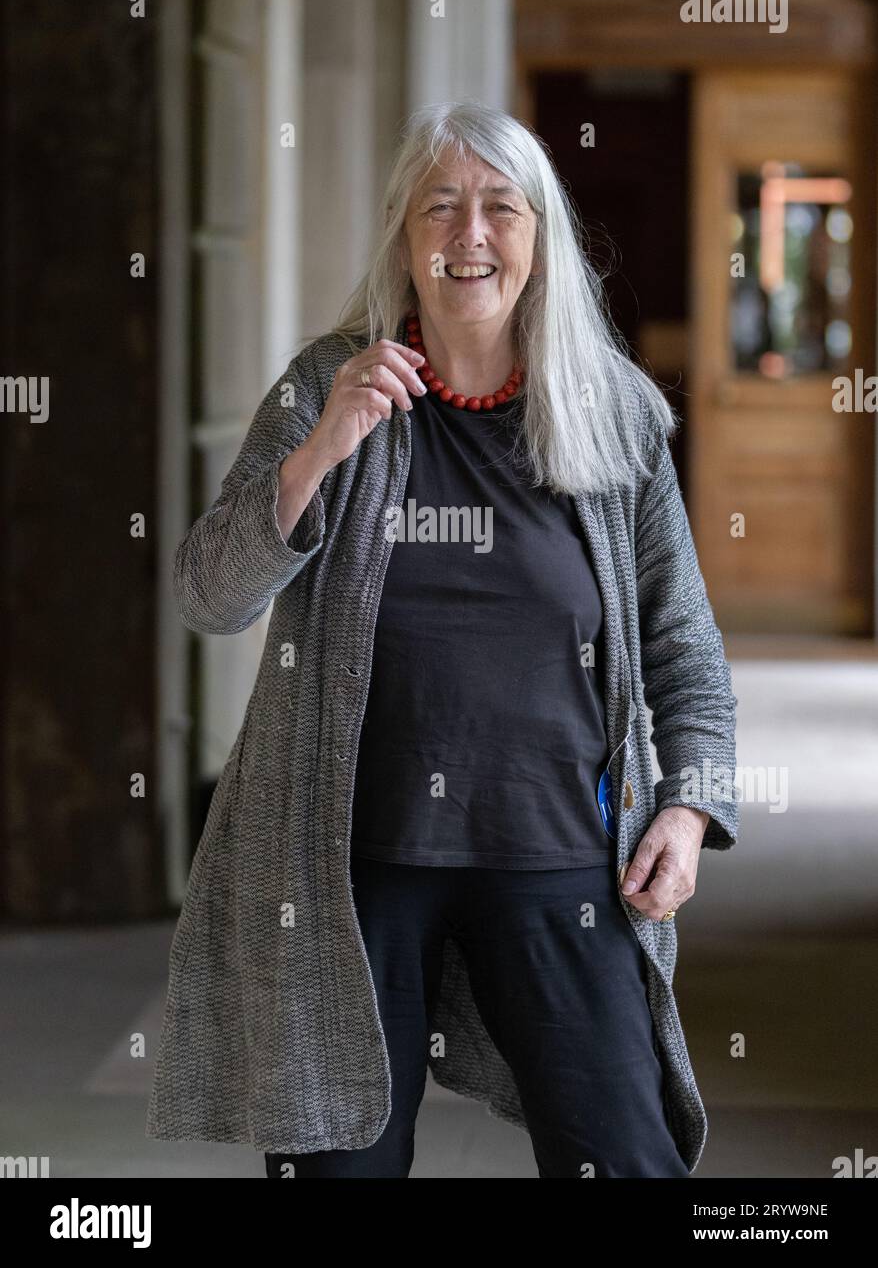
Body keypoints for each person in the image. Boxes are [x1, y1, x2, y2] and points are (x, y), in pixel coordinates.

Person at [146, 101, 738, 1179]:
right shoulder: (325, 386)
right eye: (441, 207)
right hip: (352, 863)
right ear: (402, 236)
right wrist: (321, 449)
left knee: (626, 1156)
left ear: (537, 238)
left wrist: (689, 808)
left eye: (499, 208)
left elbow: (682, 646)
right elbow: (209, 594)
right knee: (339, 1169)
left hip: (557, 850)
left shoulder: (611, 413)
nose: (470, 234)